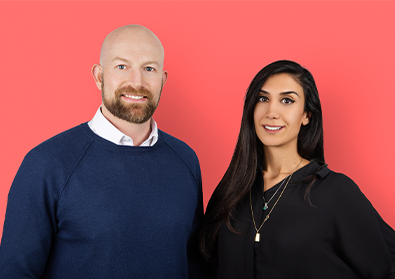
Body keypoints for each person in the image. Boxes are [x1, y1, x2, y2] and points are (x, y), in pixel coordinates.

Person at [0, 25, 205, 279]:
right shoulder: (46, 164)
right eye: (122, 66)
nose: (137, 81)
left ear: (162, 80)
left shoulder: (186, 160)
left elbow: (195, 266)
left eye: (149, 69)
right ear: (99, 76)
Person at [200, 60, 395, 278]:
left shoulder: (335, 192)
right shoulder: (230, 191)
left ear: (306, 116)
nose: (271, 112)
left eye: (287, 100)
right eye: (263, 99)